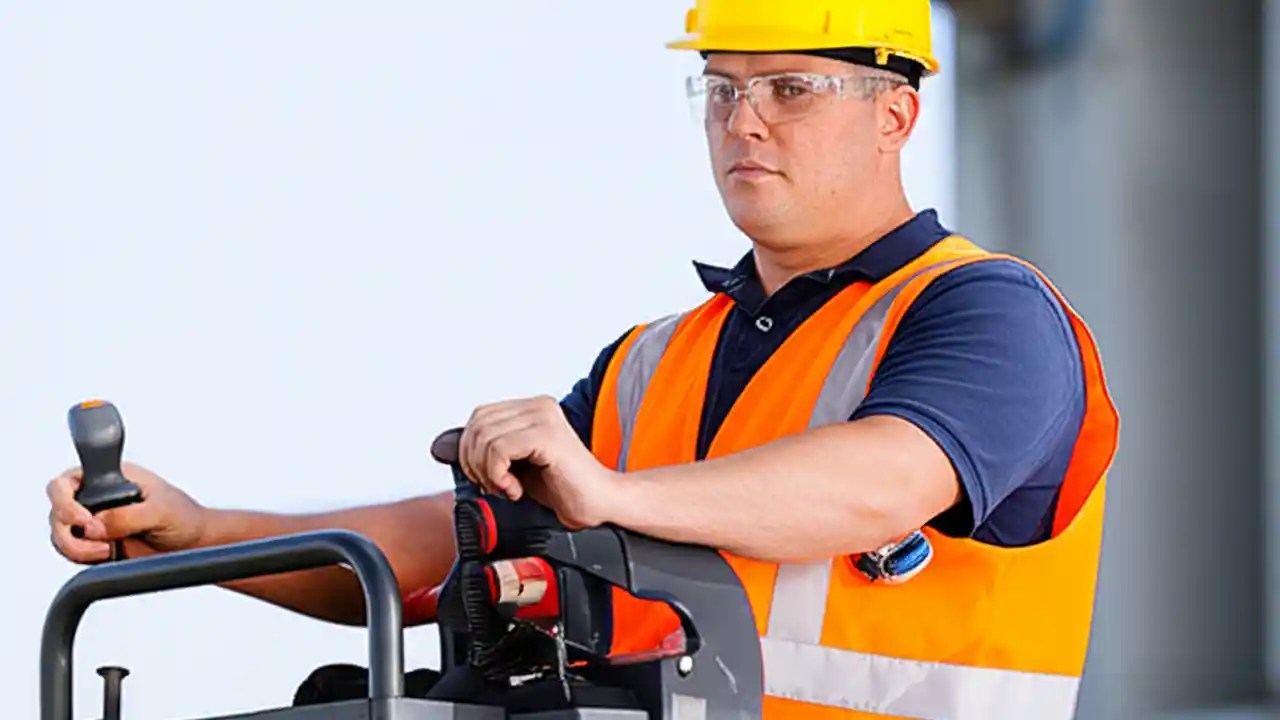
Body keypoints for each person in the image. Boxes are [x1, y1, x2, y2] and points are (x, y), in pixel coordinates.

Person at [46, 1, 1119, 717]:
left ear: (895, 114)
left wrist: (609, 490)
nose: (743, 121)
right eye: (720, 88)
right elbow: (446, 547)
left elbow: (886, 478)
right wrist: (195, 532)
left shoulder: (985, 311)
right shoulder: (653, 360)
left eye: (790, 89)